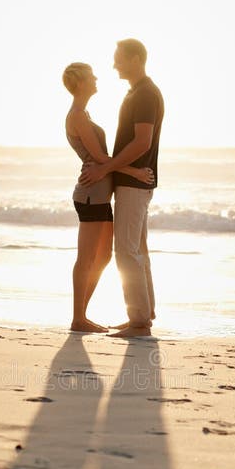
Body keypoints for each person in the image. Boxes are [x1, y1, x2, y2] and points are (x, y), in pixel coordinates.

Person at [80, 39, 164, 338]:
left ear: (136, 59)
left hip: (134, 184)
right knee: (137, 250)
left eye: (119, 58)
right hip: (134, 182)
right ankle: (144, 315)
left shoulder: (145, 94)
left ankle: (139, 322)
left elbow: (142, 142)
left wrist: (106, 168)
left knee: (126, 252)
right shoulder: (138, 92)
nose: (114, 64)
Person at [63, 62, 153, 333]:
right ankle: (78, 318)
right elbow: (100, 158)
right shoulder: (78, 115)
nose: (96, 79)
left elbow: (100, 159)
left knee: (102, 256)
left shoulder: (84, 113)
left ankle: (82, 314)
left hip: (100, 194)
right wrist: (135, 172)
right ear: (81, 83)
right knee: (86, 258)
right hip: (91, 194)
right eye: (91, 76)